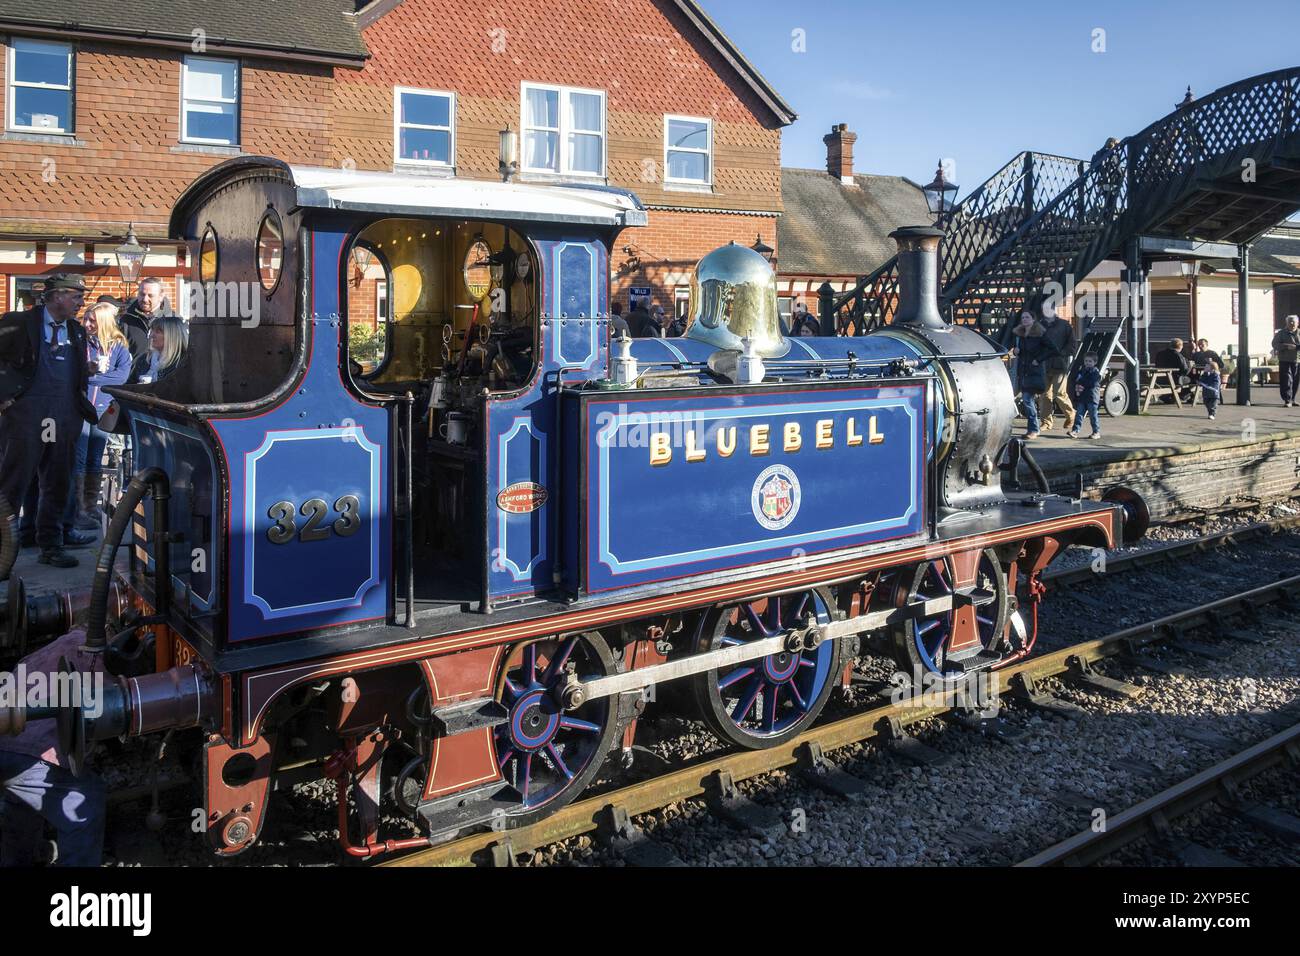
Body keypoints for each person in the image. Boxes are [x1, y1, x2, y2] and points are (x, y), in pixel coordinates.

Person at [0, 274, 99, 569]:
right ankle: (3, 552)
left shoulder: (77, 331)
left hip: (64, 415)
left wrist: (86, 370)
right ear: (56, 296)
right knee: (12, 484)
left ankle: (51, 544)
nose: (81, 303)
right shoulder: (17, 322)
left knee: (58, 482)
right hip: (26, 415)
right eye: (76, 297)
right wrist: (5, 399)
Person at [0, 632, 107, 867]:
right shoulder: (96, 654)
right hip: (23, 748)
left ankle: (16, 860)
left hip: (7, 744)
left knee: (22, 794)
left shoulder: (38, 655)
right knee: (86, 798)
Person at [67, 302, 132, 530]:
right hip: (81, 407)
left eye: (92, 320)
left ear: (103, 322)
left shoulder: (119, 348)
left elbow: (121, 378)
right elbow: (71, 374)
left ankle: (90, 505)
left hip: (103, 409)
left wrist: (88, 378)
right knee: (80, 457)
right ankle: (78, 510)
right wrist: (85, 375)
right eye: (86, 319)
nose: (86, 324)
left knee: (95, 458)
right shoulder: (79, 343)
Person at [1036, 302, 1075, 430]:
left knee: (1059, 393)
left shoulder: (1064, 325)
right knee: (1044, 395)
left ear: (1053, 310)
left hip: (1060, 365)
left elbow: (1072, 345)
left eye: (1048, 309)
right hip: (1044, 365)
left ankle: (1071, 415)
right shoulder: (1039, 326)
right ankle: (1046, 422)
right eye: (1044, 309)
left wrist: (1061, 353)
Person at [118, 277, 170, 359]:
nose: (145, 299)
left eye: (150, 295)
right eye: (142, 294)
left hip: (163, 371)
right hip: (133, 371)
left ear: (161, 297)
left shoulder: (172, 321)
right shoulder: (126, 320)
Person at [1014, 312, 1047, 439]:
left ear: (1033, 319)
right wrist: (1017, 351)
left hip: (1034, 372)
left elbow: (1051, 349)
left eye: (1027, 317)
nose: (1024, 319)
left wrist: (1038, 359)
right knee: (1028, 400)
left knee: (1027, 399)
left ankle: (1034, 429)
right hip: (1023, 371)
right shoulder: (1020, 335)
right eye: (1023, 317)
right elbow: (1019, 351)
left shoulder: (1039, 334)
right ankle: (1033, 429)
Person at [131, 314, 188, 384]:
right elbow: (129, 384)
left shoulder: (183, 363)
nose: (151, 335)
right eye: (152, 330)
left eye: (158, 332)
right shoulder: (144, 359)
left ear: (172, 336)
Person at [1068, 352, 1103, 440]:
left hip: (1092, 397)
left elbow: (1091, 383)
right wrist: (1079, 380)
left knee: (1093, 416)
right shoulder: (1082, 371)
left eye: (1090, 361)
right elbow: (1076, 379)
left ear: (1095, 362)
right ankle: (1075, 431)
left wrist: (1081, 381)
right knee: (1079, 415)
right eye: (1086, 361)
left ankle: (1096, 432)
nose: (1087, 363)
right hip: (1083, 397)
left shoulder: (1096, 373)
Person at [1271, 316, 1300, 407]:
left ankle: (1292, 399)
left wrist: (1297, 347)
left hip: (1297, 360)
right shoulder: (1281, 333)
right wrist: (1286, 346)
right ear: (1286, 323)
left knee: (1295, 380)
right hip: (1285, 360)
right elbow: (1274, 344)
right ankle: (1287, 400)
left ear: (1297, 323)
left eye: (1293, 322)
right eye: (1290, 322)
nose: (1292, 324)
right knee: (1287, 380)